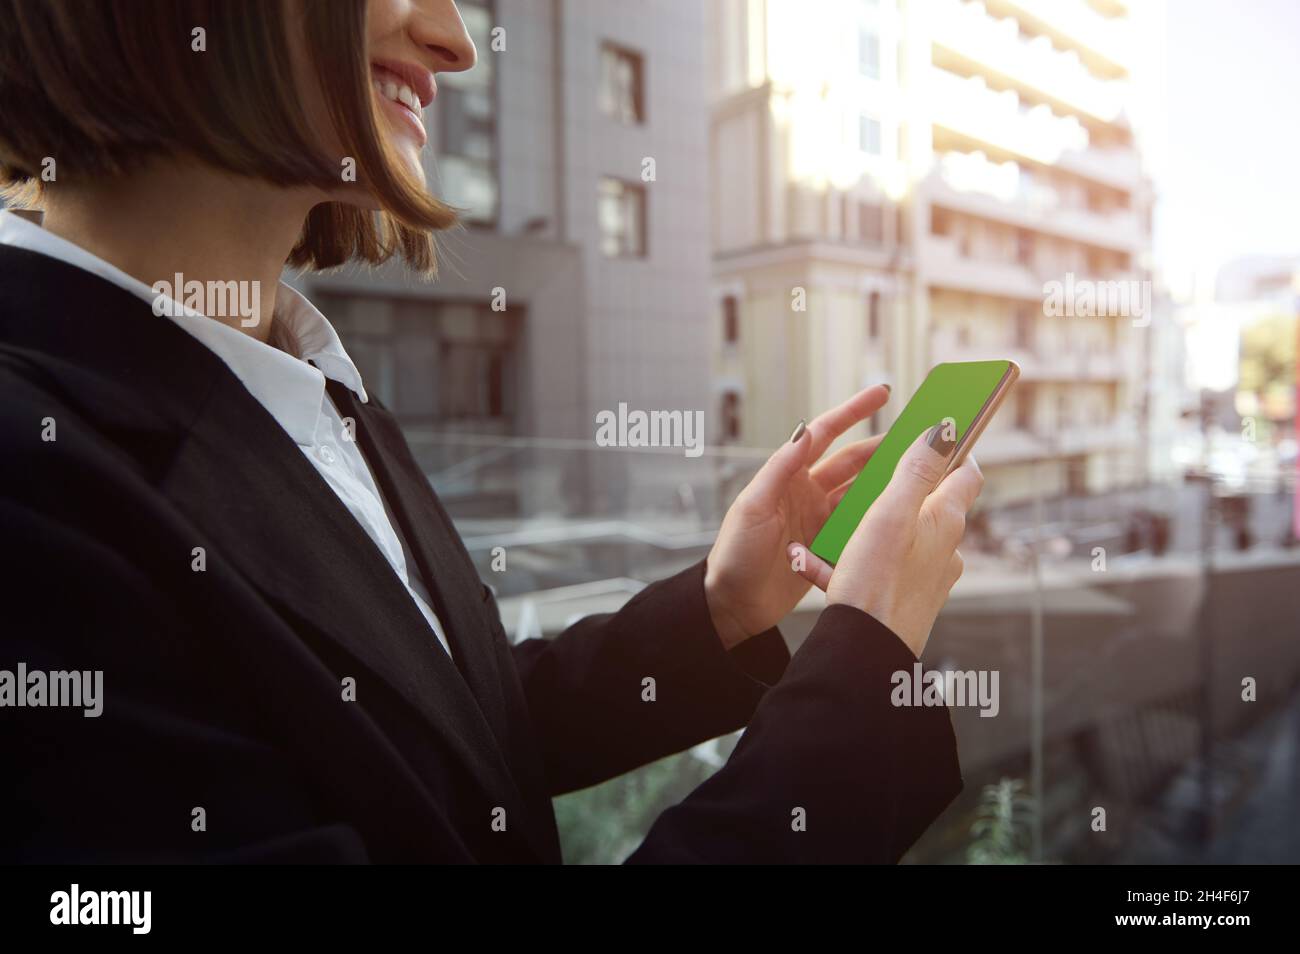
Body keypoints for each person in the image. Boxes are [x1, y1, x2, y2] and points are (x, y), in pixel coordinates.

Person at [0, 0, 982, 863]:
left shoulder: (308, 384)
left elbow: (436, 730)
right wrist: (862, 665)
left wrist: (719, 610)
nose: (454, 40)